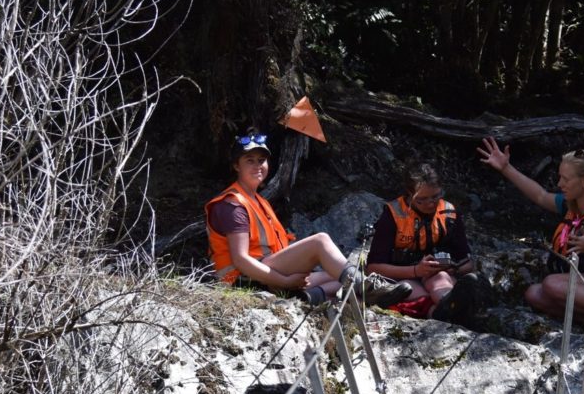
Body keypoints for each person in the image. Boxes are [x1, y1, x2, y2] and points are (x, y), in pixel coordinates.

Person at [205, 132, 412, 308]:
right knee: (320, 241)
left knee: (337, 274)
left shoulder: (259, 200)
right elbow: (240, 260)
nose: (258, 166)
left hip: (266, 272)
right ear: (236, 166)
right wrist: (285, 281)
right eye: (249, 161)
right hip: (242, 281)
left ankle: (309, 297)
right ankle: (366, 290)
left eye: (261, 160)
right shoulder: (232, 204)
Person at [477, 136, 584, 319]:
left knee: (551, 284)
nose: (559, 184)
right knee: (533, 294)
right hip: (581, 282)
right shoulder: (571, 205)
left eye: (565, 179)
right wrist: (506, 168)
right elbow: (540, 196)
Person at [366, 162, 479, 323]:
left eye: (435, 196)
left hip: (439, 275)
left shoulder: (449, 214)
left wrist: (452, 268)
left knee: (439, 279)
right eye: (421, 200)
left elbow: (468, 263)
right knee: (411, 291)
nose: (430, 204)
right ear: (409, 194)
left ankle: (450, 304)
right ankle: (446, 312)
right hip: (402, 277)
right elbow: (373, 268)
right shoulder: (392, 216)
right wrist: (416, 271)